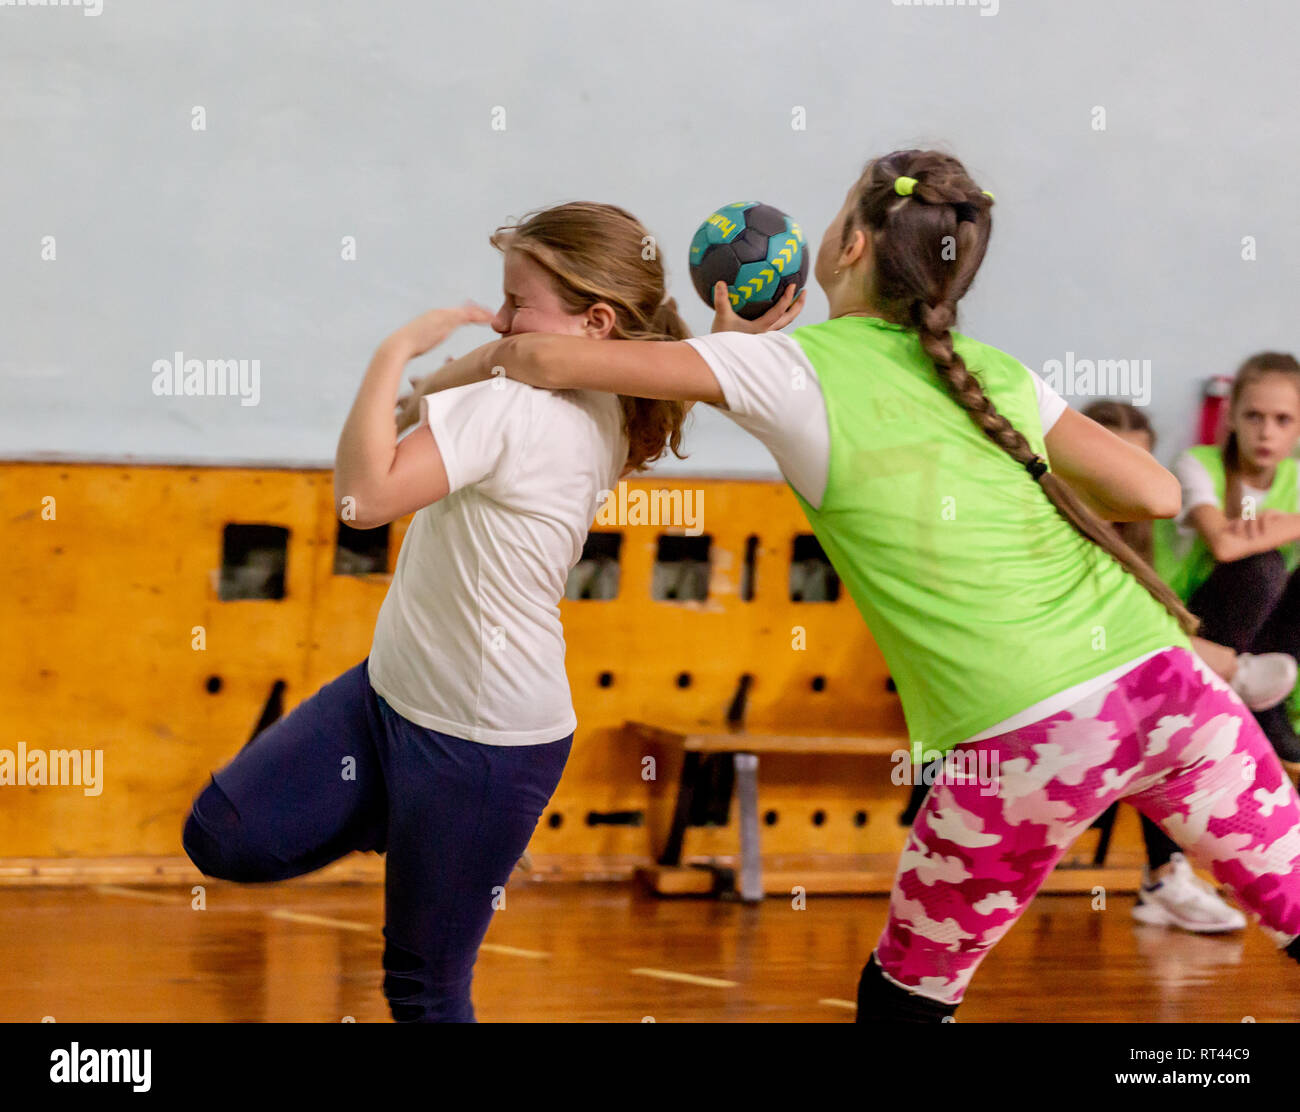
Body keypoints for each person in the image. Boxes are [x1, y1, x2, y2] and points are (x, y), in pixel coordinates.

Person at [427, 148, 1300, 1021]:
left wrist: (426, 385)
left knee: (906, 998)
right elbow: (1153, 492)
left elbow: (543, 359)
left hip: (1025, 729)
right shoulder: (993, 371)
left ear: (851, 246)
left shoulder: (788, 368)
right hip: (1165, 682)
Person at [181, 201, 689, 1022]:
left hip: (480, 746)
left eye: (518, 303)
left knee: (424, 990)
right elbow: (477, 379)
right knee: (224, 832)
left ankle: (444, 825)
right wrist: (465, 367)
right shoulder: (609, 402)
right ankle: (413, 821)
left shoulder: (517, 408)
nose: (503, 319)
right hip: (389, 694)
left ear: (596, 323)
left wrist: (394, 353)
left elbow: (363, 499)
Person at [1083, 399, 1296, 933]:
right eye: (1108, 462)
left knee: (1174, 692)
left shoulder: (1154, 532)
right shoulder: (1051, 535)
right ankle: (1241, 686)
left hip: (1166, 668)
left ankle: (1242, 690)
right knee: (1159, 696)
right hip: (1088, 681)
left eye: (1137, 465)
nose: (1123, 481)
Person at [1152, 355, 1300, 762]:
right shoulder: (1197, 464)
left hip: (1262, 643)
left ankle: (1271, 703)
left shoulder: (1295, 479)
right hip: (1192, 624)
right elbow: (1225, 546)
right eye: (1254, 416)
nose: (1266, 432)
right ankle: (1219, 699)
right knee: (1262, 566)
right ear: (1231, 416)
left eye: (1283, 420)